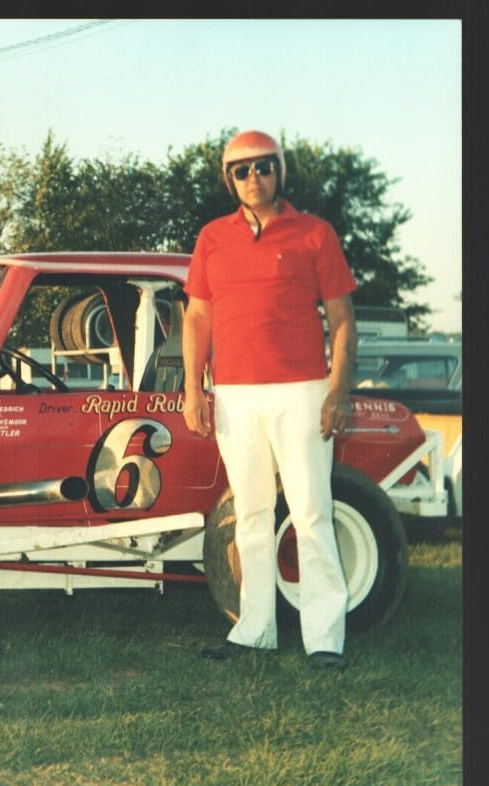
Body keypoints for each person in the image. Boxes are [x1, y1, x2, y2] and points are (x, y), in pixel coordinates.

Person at [181, 131, 358, 671]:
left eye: (263, 167)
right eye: (241, 170)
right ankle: (254, 629)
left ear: (280, 171)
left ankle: (325, 638)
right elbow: (197, 317)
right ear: (227, 178)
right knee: (251, 514)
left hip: (302, 391)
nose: (253, 178)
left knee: (310, 511)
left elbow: (344, 319)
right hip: (234, 394)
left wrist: (338, 389)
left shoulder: (314, 234)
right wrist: (194, 387)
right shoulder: (212, 238)